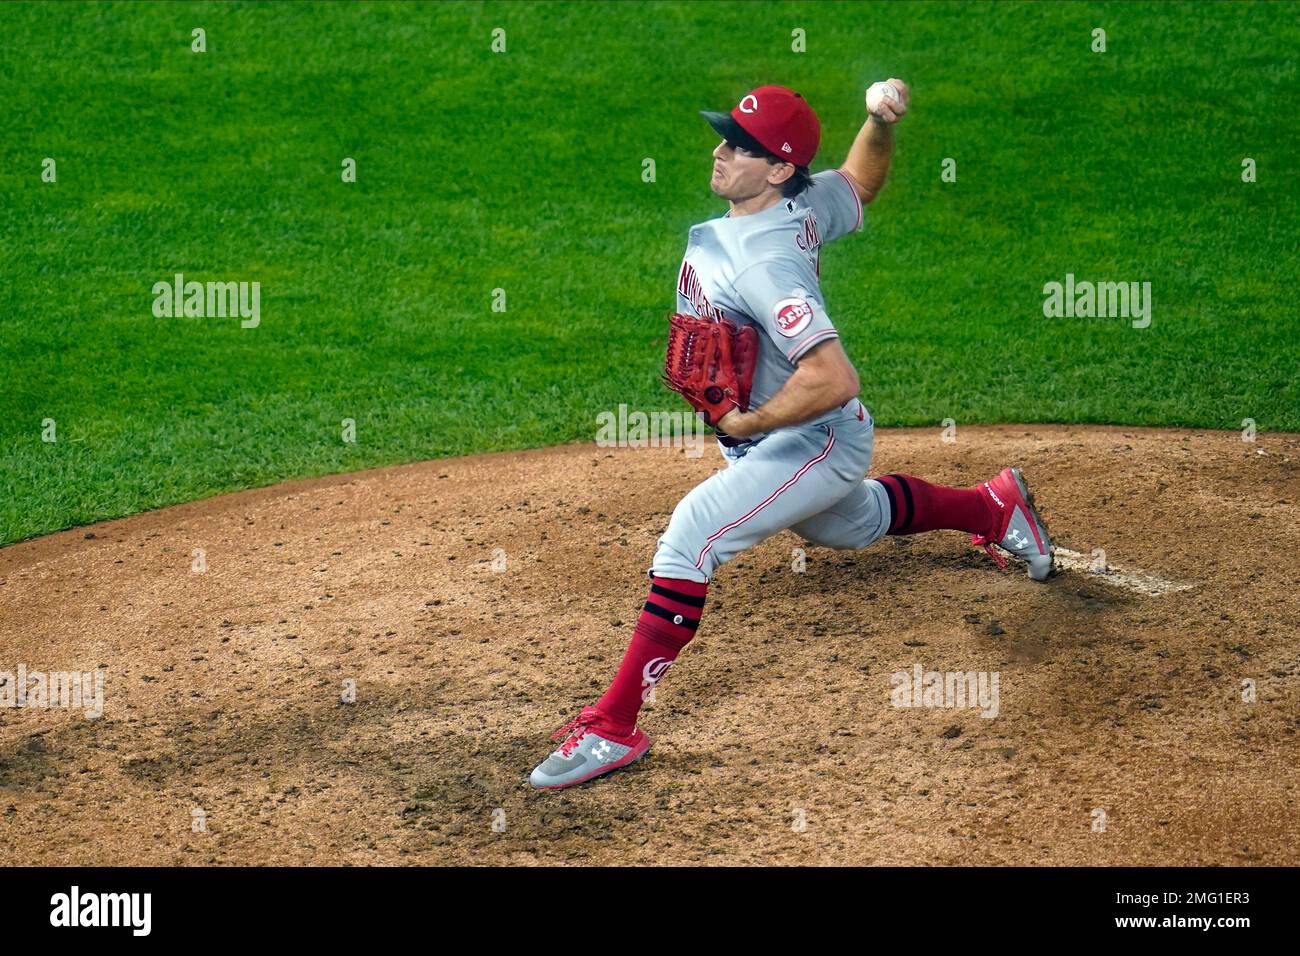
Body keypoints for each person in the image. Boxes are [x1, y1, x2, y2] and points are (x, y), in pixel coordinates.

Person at [529, 80, 1053, 790]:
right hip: (808, 444)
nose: (720, 152)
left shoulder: (764, 262)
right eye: (723, 137)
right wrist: (878, 121)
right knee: (854, 524)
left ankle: (613, 726)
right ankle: (992, 506)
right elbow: (860, 184)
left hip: (812, 439)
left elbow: (833, 377)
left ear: (777, 169)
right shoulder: (801, 201)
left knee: (693, 533)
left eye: (739, 147)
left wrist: (750, 422)